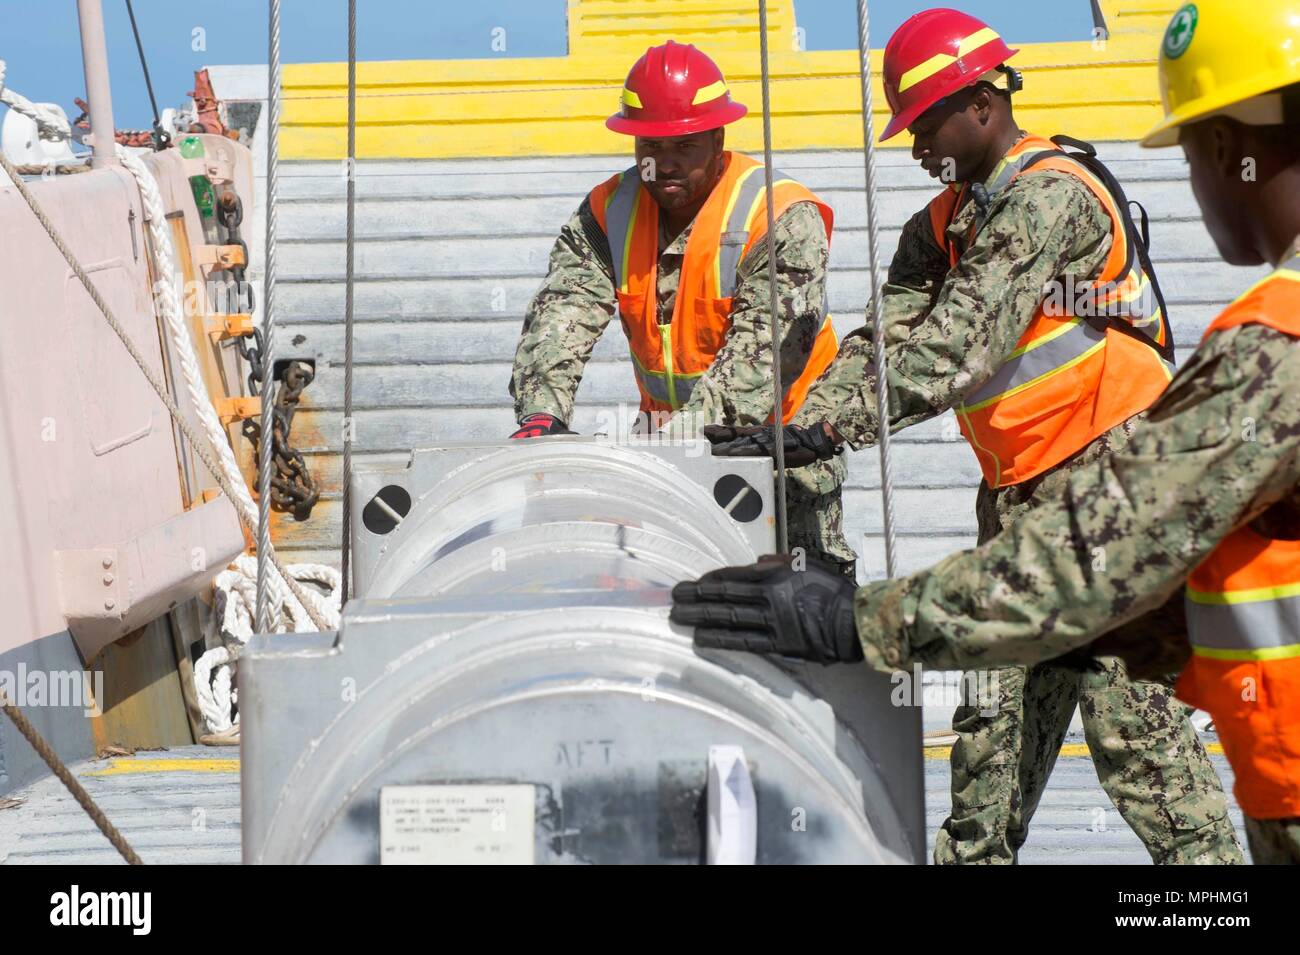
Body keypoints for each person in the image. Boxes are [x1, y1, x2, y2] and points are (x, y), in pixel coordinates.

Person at [672, 7, 1243, 864]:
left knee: (1142, 750)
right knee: (987, 760)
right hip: (1017, 504)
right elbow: (885, 340)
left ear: (982, 102)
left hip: (1115, 495)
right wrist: (795, 424)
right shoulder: (938, 226)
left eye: (924, 123)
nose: (913, 149)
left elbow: (959, 343)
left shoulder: (1052, 193)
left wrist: (833, 424)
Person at [507, 40, 855, 573]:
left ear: (718, 139)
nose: (663, 163)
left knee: (807, 609)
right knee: (683, 607)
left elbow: (762, 359)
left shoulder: (778, 214)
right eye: (650, 144)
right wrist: (542, 414)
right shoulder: (608, 211)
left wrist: (668, 455)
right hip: (670, 455)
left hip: (782, 456)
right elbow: (561, 313)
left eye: (684, 146)